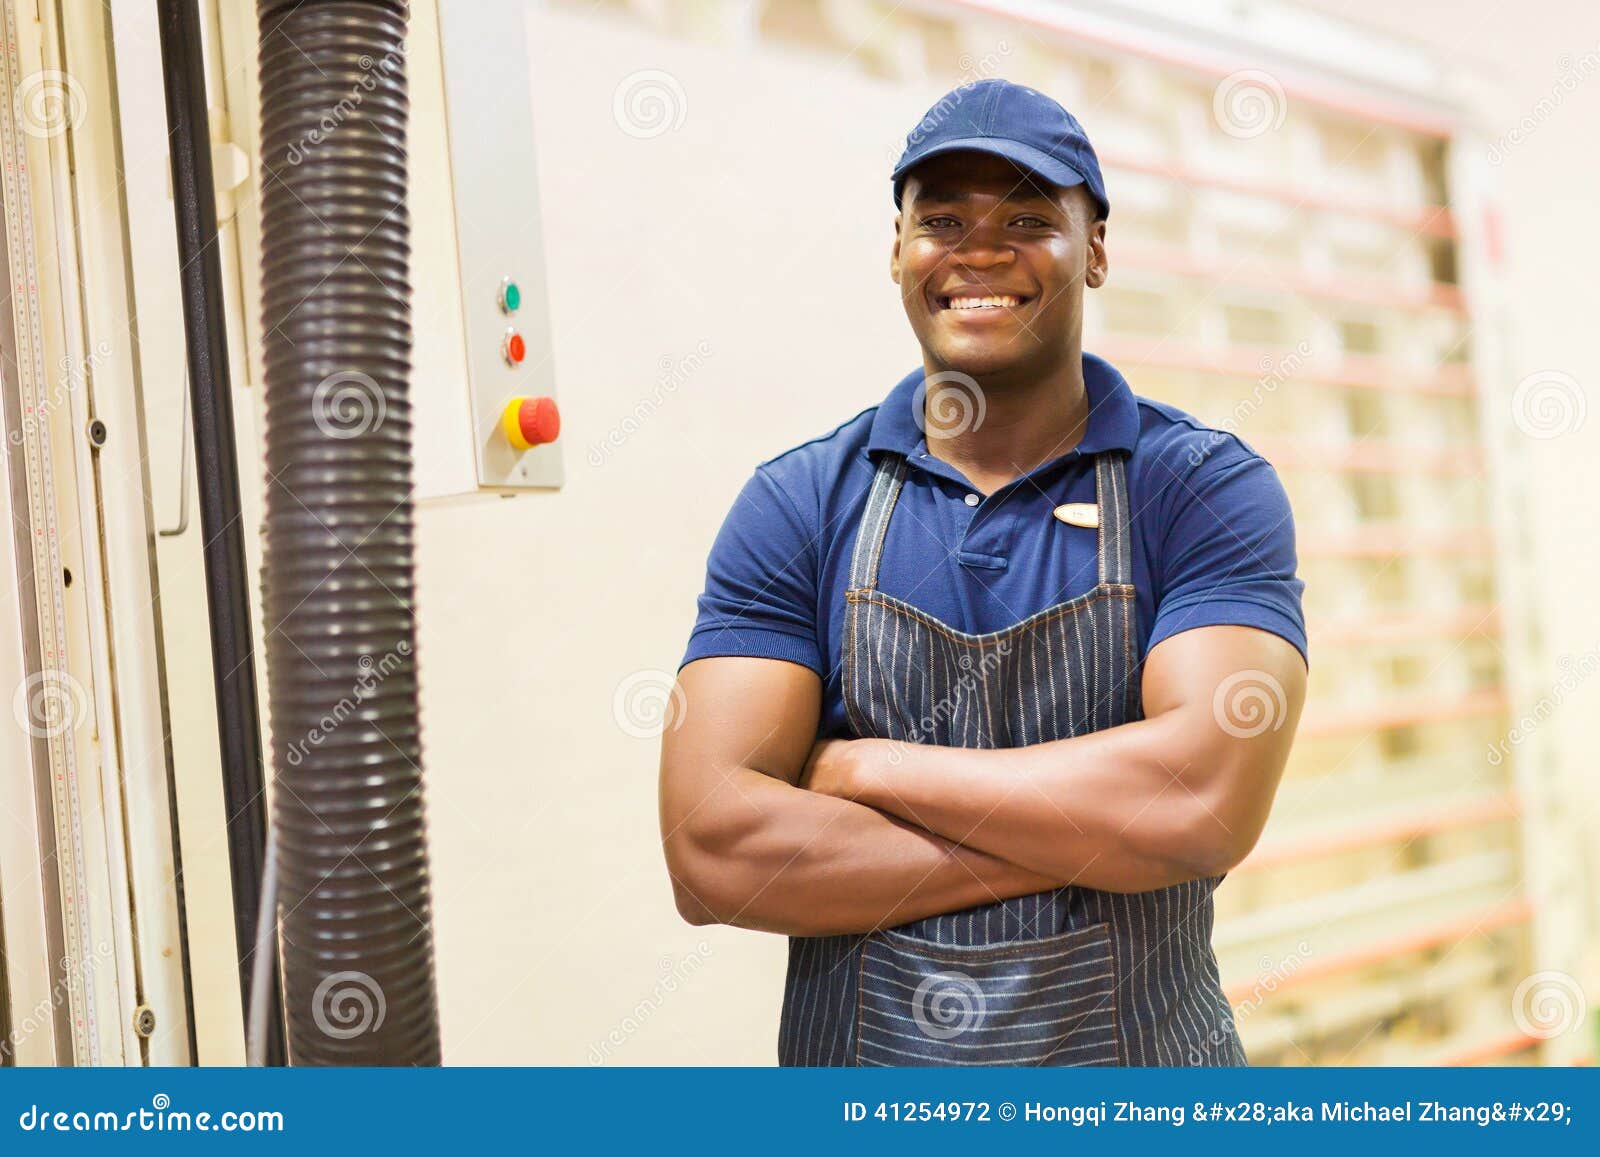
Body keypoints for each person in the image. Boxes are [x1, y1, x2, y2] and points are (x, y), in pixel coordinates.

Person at [659, 79, 1307, 1066]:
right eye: (943, 220)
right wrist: (1094, 841)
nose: (980, 251)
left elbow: (1200, 799)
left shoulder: (1199, 487)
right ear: (898, 251)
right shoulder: (797, 502)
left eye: (1028, 218)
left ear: (1094, 248)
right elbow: (715, 855)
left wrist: (870, 768)